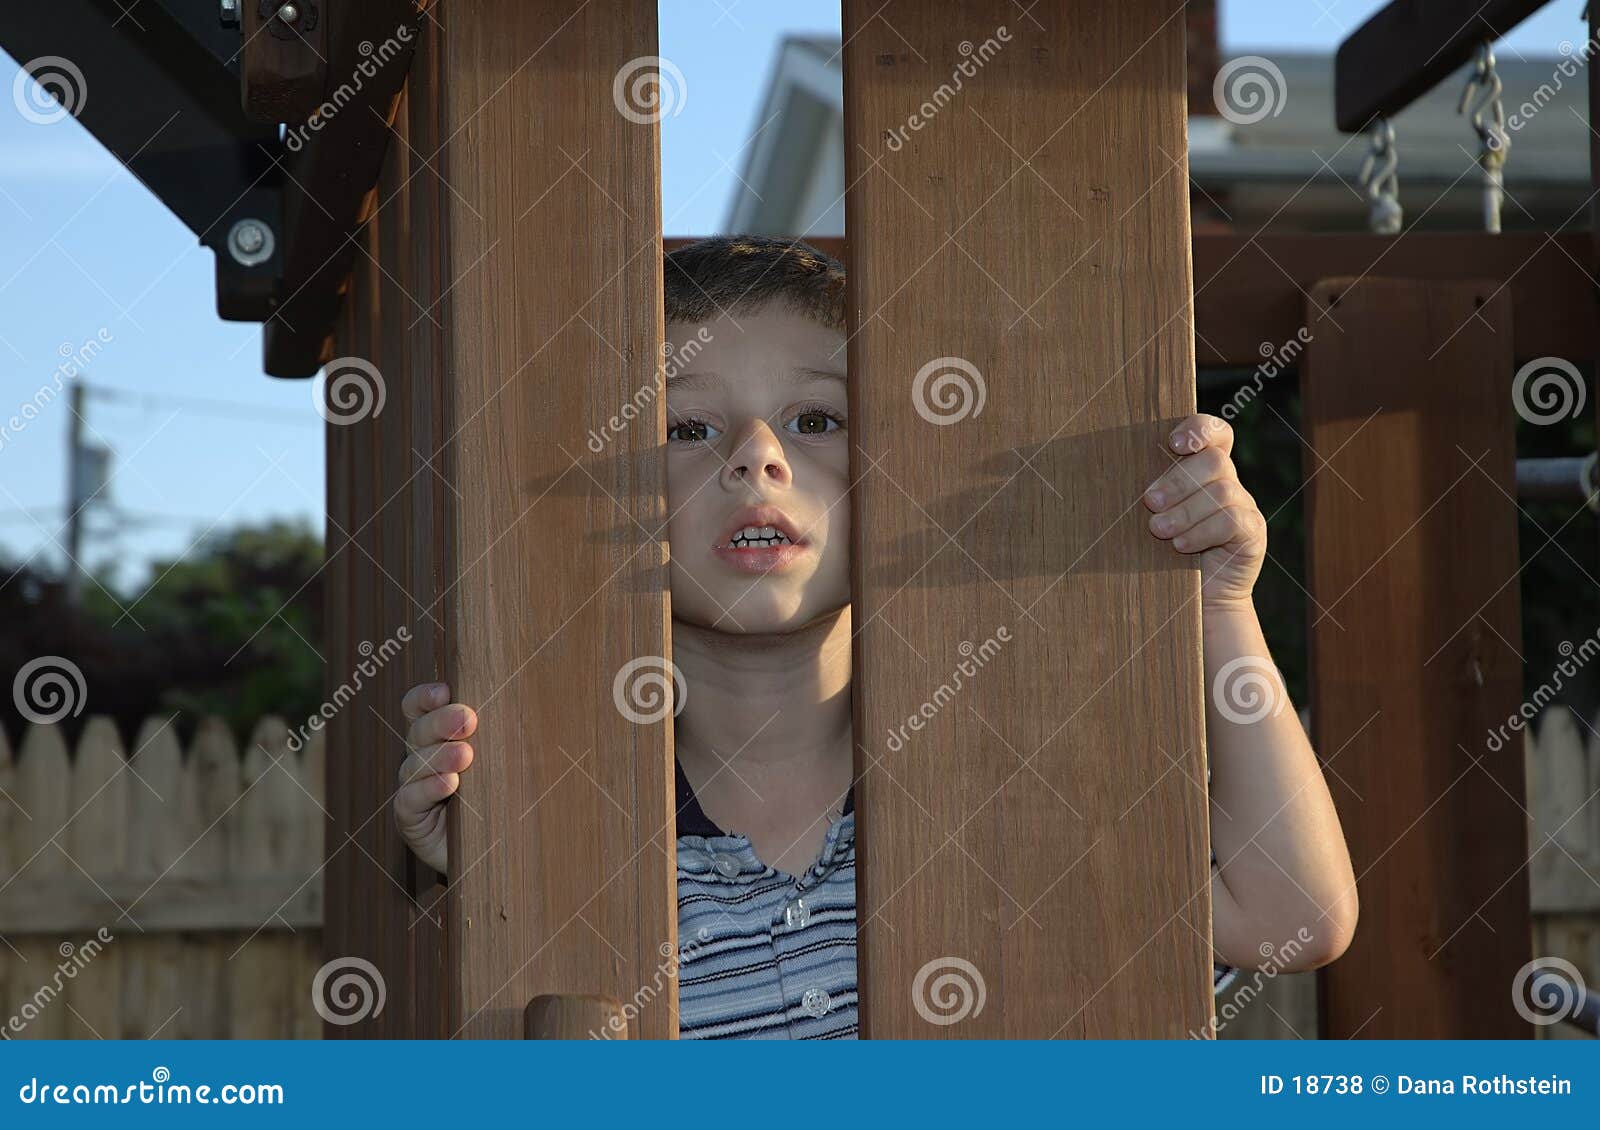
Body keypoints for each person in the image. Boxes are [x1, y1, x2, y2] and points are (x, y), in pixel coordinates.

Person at [392, 236, 1358, 1038]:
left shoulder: (1001, 781)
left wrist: (1220, 607)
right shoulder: (582, 822)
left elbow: (1294, 920)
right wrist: (487, 880)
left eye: (817, 419)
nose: (757, 457)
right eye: (687, 429)